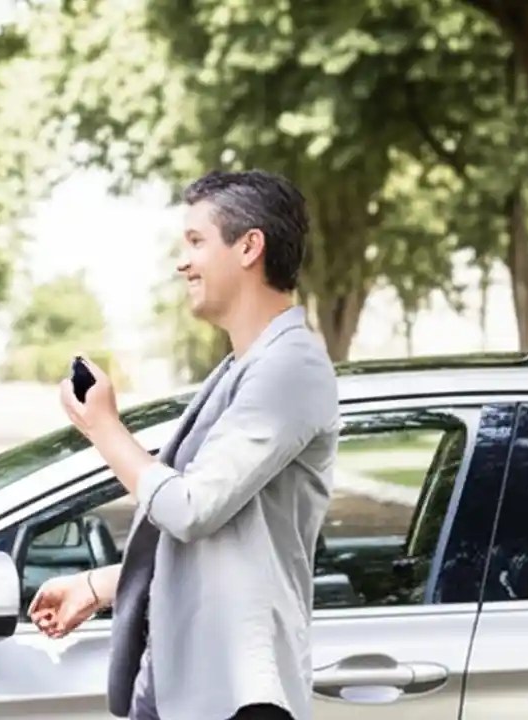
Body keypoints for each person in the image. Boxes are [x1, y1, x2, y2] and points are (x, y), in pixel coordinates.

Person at [28, 169, 340, 720]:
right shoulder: (244, 368)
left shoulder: (291, 367)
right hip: (188, 682)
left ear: (249, 247)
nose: (183, 261)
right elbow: (215, 540)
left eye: (196, 241)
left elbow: (191, 509)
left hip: (238, 692)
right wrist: (100, 586)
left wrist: (104, 427)